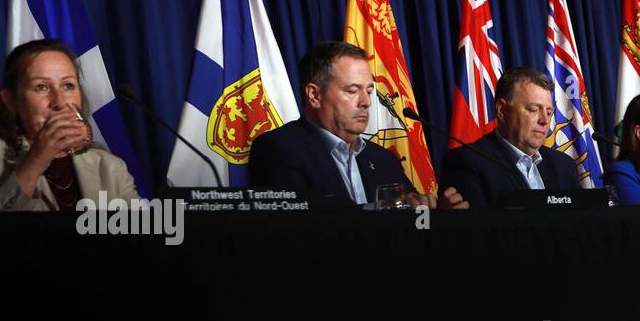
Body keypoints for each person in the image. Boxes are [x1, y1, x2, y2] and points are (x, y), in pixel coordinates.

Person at [248, 41, 465, 209]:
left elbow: (410, 225)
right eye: (352, 91)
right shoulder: (278, 149)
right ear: (314, 95)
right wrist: (381, 210)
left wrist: (433, 214)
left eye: (369, 91)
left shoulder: (384, 160)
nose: (366, 102)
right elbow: (300, 226)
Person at [0, 38, 137, 211]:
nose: (59, 101)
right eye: (41, 87)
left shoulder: (110, 166)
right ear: (11, 101)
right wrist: (37, 159)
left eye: (68, 85)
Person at [437, 66, 578, 208]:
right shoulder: (466, 163)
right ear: (502, 110)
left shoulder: (564, 166)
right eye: (534, 109)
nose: (545, 121)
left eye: (549, 112)